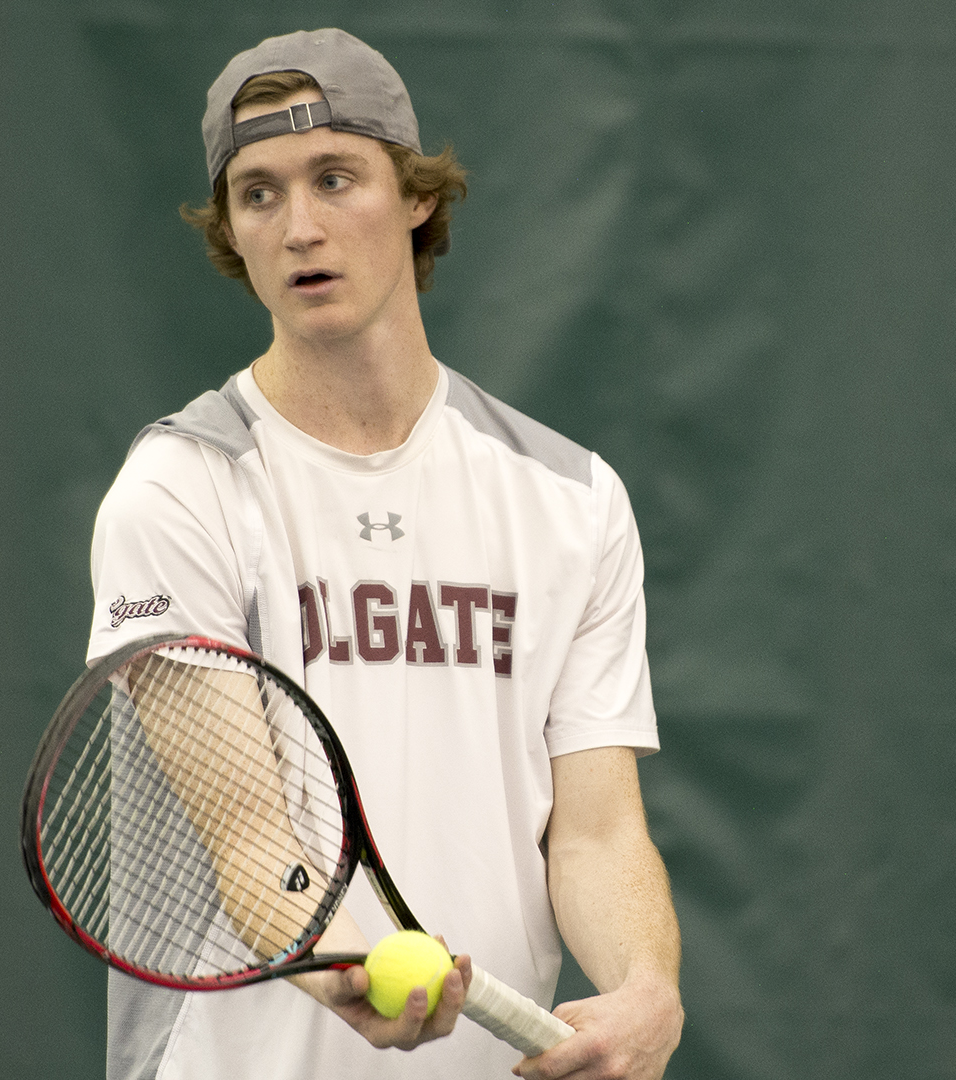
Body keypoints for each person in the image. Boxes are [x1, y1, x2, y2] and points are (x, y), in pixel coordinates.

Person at [86, 27, 683, 1080]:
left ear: (415, 197)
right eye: (258, 194)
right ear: (230, 229)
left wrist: (645, 990)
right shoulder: (181, 489)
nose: (301, 227)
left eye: (335, 177)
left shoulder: (572, 499)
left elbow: (593, 835)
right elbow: (248, 839)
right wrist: (338, 968)